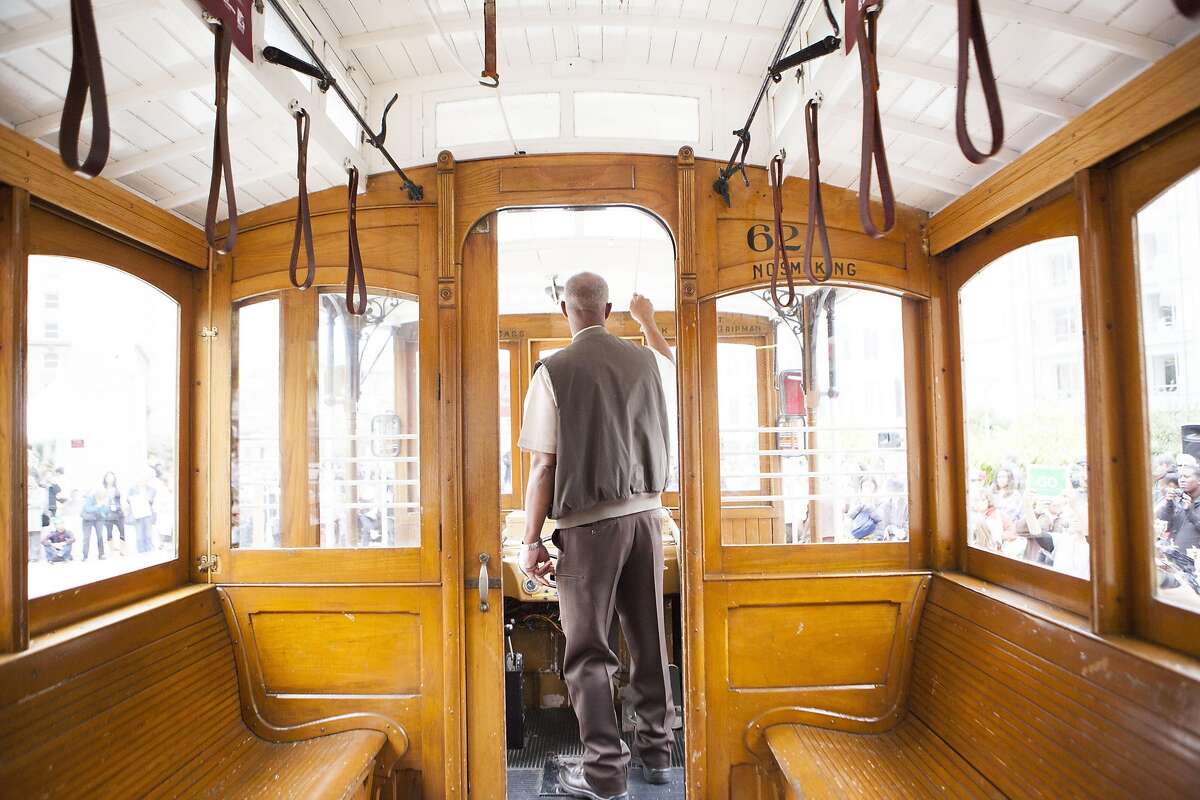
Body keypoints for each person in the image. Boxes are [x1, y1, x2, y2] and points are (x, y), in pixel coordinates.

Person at [518, 274, 674, 800]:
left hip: (588, 527)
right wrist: (648, 321)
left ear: (565, 309)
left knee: (589, 653)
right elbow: (675, 367)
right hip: (650, 520)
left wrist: (530, 540)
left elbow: (544, 467)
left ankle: (605, 774)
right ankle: (656, 756)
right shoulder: (648, 362)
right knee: (649, 639)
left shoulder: (553, 371)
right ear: (608, 308)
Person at [1156, 464, 1200, 555]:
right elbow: (1164, 524)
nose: (1182, 480)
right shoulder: (1178, 499)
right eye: (1180, 477)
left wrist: (1189, 511)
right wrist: (1169, 504)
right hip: (1174, 558)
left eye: (1186, 477)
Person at [128, 476, 155, 554]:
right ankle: (141, 550)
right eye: (140, 479)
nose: (142, 481)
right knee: (139, 533)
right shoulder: (132, 489)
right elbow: (128, 500)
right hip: (137, 513)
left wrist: (148, 499)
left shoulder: (151, 489)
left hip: (148, 513)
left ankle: (149, 549)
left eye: (144, 479)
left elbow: (152, 500)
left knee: (148, 532)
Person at [102, 471, 126, 554]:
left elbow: (122, 500)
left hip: (119, 513)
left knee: (122, 532)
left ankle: (123, 550)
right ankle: (111, 550)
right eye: (108, 477)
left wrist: (124, 510)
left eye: (112, 477)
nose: (110, 479)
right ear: (105, 479)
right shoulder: (103, 489)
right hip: (107, 514)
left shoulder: (118, 488)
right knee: (109, 533)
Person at [80, 489, 106, 561]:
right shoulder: (89, 498)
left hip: (98, 519)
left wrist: (103, 512)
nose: (101, 497)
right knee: (86, 537)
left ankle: (101, 554)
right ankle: (85, 556)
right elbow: (87, 509)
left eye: (103, 496)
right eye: (99, 495)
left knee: (100, 536)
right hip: (87, 519)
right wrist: (98, 506)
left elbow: (104, 511)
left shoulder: (104, 500)